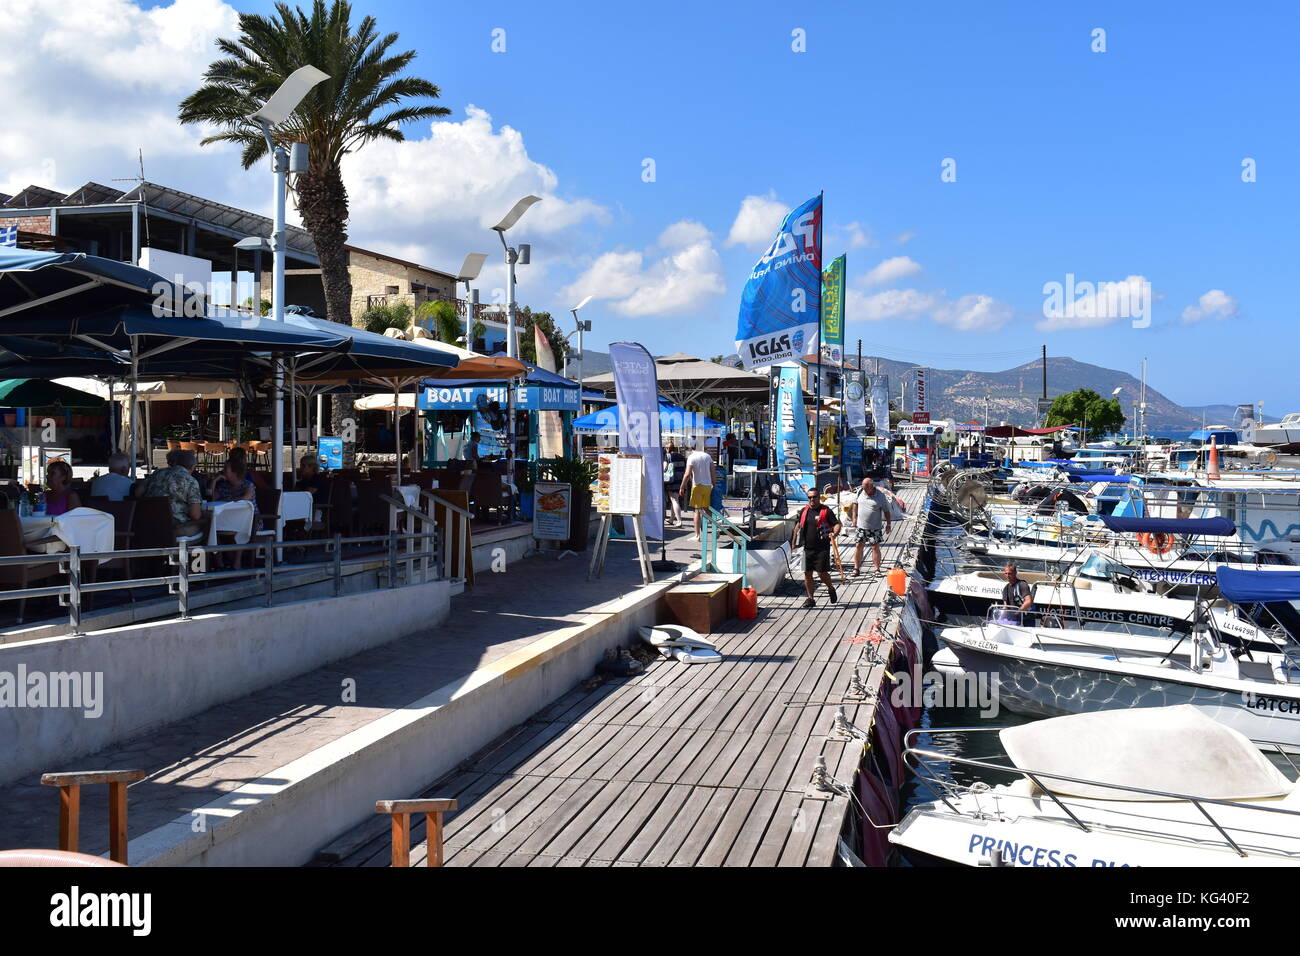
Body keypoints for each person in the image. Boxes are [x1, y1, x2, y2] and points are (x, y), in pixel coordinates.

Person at [137, 448, 205, 538]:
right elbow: (195, 515)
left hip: (148, 525)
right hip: (174, 528)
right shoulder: (190, 481)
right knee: (207, 524)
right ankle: (210, 552)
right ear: (193, 466)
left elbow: (137, 493)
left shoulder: (157, 473)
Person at [792, 489, 841, 608]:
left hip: (822, 548)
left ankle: (830, 588)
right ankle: (811, 599)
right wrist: (793, 542)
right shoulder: (804, 510)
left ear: (819, 497)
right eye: (809, 497)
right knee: (807, 574)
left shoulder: (826, 511)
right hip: (808, 548)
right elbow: (798, 526)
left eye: (814, 497)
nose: (811, 500)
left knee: (822, 573)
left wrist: (834, 533)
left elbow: (836, 524)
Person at [850, 476, 892, 578]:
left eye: (866, 488)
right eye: (863, 487)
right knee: (858, 546)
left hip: (875, 527)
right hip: (861, 526)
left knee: (875, 547)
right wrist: (854, 518)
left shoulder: (880, 496)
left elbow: (886, 511)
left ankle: (877, 569)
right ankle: (856, 568)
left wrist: (888, 524)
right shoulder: (860, 492)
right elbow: (855, 504)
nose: (864, 489)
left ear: (871, 486)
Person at [678, 442, 717, 541]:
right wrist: (714, 484)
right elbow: (713, 471)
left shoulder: (692, 457)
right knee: (707, 509)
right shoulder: (708, 457)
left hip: (698, 486)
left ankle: (697, 535)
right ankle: (715, 529)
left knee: (697, 511)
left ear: (692, 448)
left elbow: (687, 474)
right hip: (708, 486)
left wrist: (682, 487)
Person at [662, 443, 686, 527]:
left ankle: (679, 521)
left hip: (671, 480)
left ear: (668, 448)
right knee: (675, 500)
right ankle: (672, 518)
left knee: (674, 500)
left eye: (665, 448)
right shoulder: (681, 456)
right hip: (681, 480)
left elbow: (664, 468)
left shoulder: (667, 456)